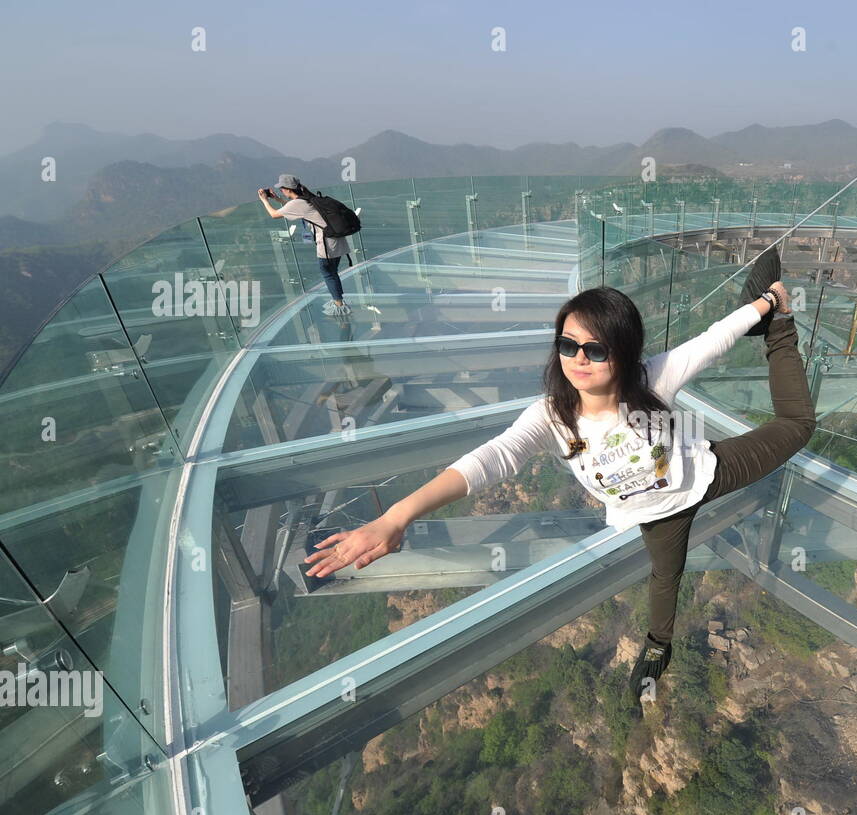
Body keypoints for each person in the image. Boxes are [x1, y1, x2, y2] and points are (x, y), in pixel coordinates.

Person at [303, 254, 815, 711]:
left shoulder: (652, 379)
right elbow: (494, 458)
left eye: (596, 349)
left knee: (797, 426)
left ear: (625, 351)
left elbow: (712, 340)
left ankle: (780, 328)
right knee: (665, 577)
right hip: (651, 513)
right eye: (568, 345)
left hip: (705, 474)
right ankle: (660, 644)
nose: (578, 359)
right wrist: (397, 517)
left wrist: (767, 307)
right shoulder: (553, 416)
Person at [258, 174, 352, 316]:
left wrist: (264, 200)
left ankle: (339, 306)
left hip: (327, 244)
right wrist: (277, 199)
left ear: (288, 189)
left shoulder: (298, 203)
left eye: (282, 189)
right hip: (337, 239)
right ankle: (339, 301)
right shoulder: (308, 198)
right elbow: (293, 208)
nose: (281, 191)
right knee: (332, 272)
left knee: (327, 273)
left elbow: (274, 214)